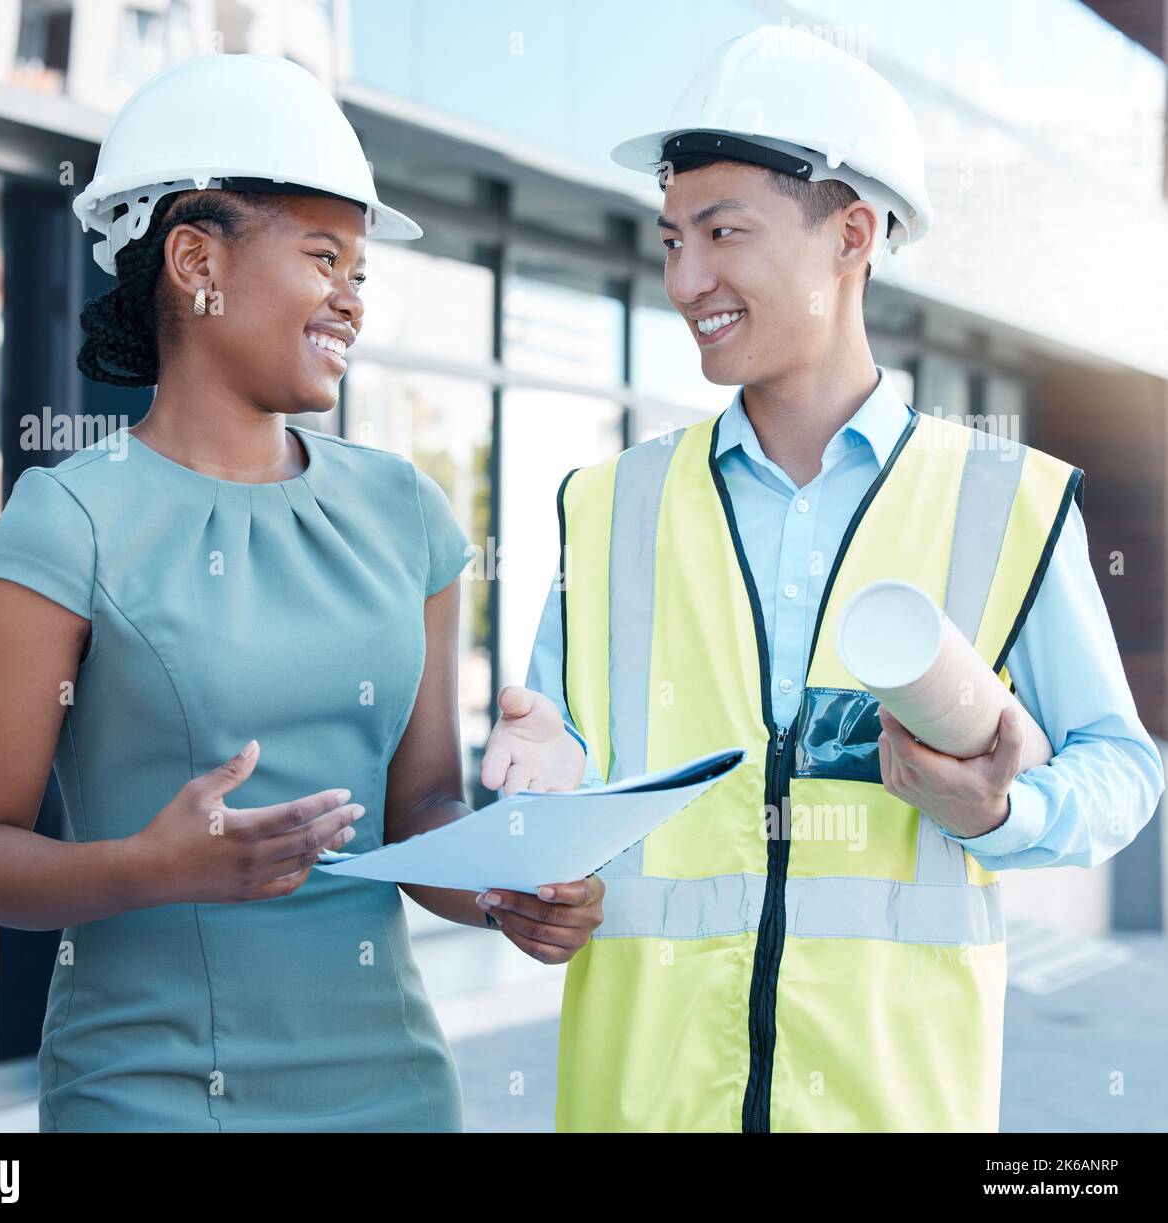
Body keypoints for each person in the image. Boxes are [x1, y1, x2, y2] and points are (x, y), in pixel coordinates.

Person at [479, 26, 1164, 1132]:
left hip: (891, 1104)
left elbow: (1122, 768)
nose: (683, 277)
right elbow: (559, 773)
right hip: (640, 1102)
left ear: (852, 233)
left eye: (722, 232)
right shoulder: (608, 507)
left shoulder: (1007, 498)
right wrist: (532, 850)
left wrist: (1001, 810)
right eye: (669, 239)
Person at [0, 52, 601, 1134]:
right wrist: (151, 866)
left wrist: (501, 889)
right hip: (149, 1095)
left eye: (362, 271)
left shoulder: (406, 510)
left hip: (394, 1091)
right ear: (196, 260)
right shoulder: (68, 521)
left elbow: (419, 812)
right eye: (324, 255)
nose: (353, 298)